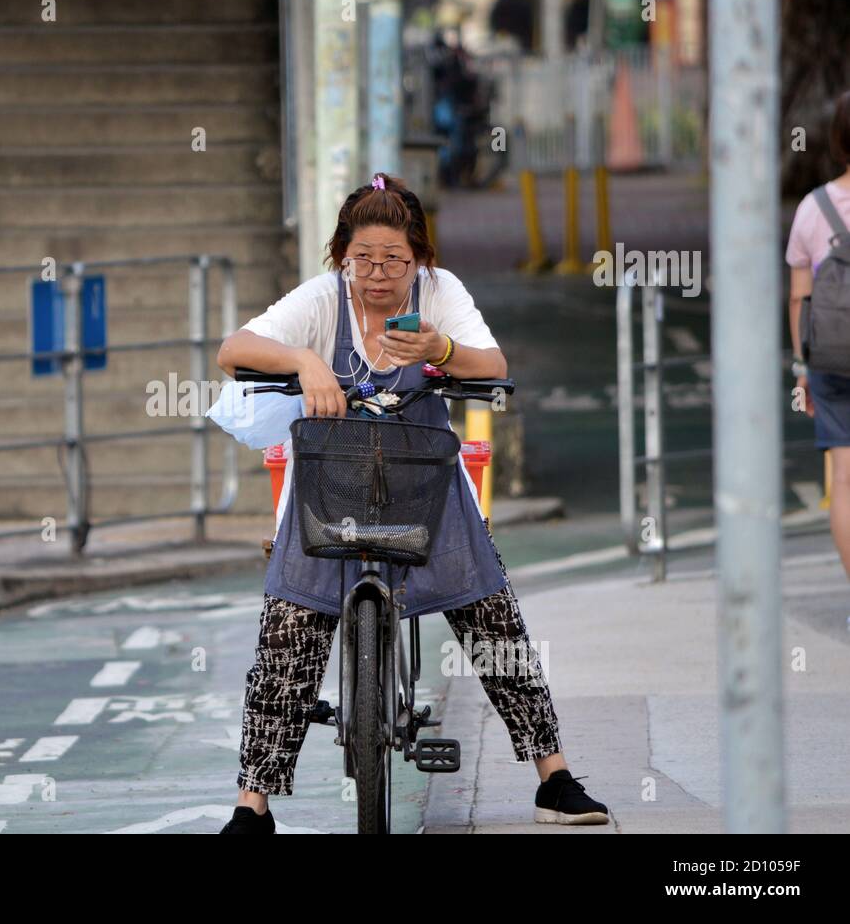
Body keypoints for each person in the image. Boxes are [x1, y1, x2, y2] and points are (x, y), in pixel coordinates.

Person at [214, 173, 609, 832]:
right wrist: (304, 364)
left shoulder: (440, 291)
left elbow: (491, 364)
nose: (376, 273)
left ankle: (554, 778)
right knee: (291, 622)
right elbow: (234, 351)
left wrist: (440, 350)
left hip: (424, 479)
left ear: (419, 258)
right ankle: (252, 806)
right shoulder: (322, 300)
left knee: (490, 609)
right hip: (331, 482)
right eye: (362, 258)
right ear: (343, 256)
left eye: (393, 260)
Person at [784, 89, 850, 581]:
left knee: (844, 480)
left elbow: (798, 299)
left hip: (831, 357)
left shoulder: (813, 208)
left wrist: (801, 368)